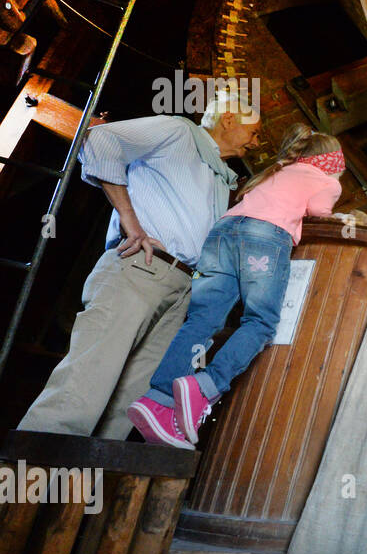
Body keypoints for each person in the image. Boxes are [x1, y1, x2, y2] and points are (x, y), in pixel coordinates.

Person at [17, 91, 259, 439]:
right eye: (255, 130)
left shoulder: (221, 176)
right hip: (140, 269)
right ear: (230, 119)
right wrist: (130, 222)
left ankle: (79, 491)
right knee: (85, 384)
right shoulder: (178, 132)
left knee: (124, 408)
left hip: (180, 291)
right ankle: (20, 486)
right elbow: (99, 139)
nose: (257, 140)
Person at [127, 124, 344, 448]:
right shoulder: (326, 180)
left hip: (220, 235)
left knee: (201, 320)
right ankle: (205, 386)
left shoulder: (277, 171)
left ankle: (158, 401)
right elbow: (320, 214)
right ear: (335, 161)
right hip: (264, 239)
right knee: (261, 322)